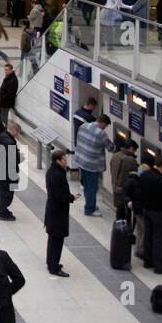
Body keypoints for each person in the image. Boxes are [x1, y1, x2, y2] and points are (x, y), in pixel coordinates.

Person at [73, 112, 115, 217]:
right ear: (103, 123)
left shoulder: (84, 126)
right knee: (92, 187)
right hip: (91, 165)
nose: (105, 128)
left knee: (87, 185)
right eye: (105, 126)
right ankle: (89, 209)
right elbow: (111, 148)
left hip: (81, 160)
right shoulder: (101, 133)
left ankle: (90, 204)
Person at [140, 155, 162, 274]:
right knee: (159, 239)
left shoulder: (144, 174)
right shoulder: (160, 180)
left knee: (148, 236)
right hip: (158, 213)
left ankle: (147, 261)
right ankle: (159, 266)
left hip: (146, 210)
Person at [44, 149, 76, 277]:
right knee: (56, 240)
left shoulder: (52, 171)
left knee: (53, 239)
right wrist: (72, 197)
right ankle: (53, 266)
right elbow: (60, 196)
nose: (66, 161)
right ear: (58, 160)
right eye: (64, 159)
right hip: (57, 212)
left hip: (52, 210)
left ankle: (51, 262)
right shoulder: (57, 175)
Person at [0, 122, 22, 220]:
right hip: (7, 172)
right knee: (6, 192)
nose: (17, 135)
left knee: (1, 191)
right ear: (13, 130)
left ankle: (0, 210)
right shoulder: (10, 142)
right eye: (17, 132)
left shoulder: (2, 136)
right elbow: (15, 160)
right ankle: (2, 211)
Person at [110, 138, 139, 220]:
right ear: (131, 148)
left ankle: (119, 228)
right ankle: (124, 230)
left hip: (115, 187)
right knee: (126, 214)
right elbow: (137, 173)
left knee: (119, 211)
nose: (134, 153)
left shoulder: (115, 156)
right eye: (134, 151)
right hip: (125, 190)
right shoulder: (130, 160)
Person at [0, 62, 18, 127]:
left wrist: (2, 98)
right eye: (5, 70)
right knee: (0, 118)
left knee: (3, 119)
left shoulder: (13, 80)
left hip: (5, 104)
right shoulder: (8, 77)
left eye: (7, 70)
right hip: (2, 102)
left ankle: (2, 131)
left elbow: (10, 94)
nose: (5, 71)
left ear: (11, 70)